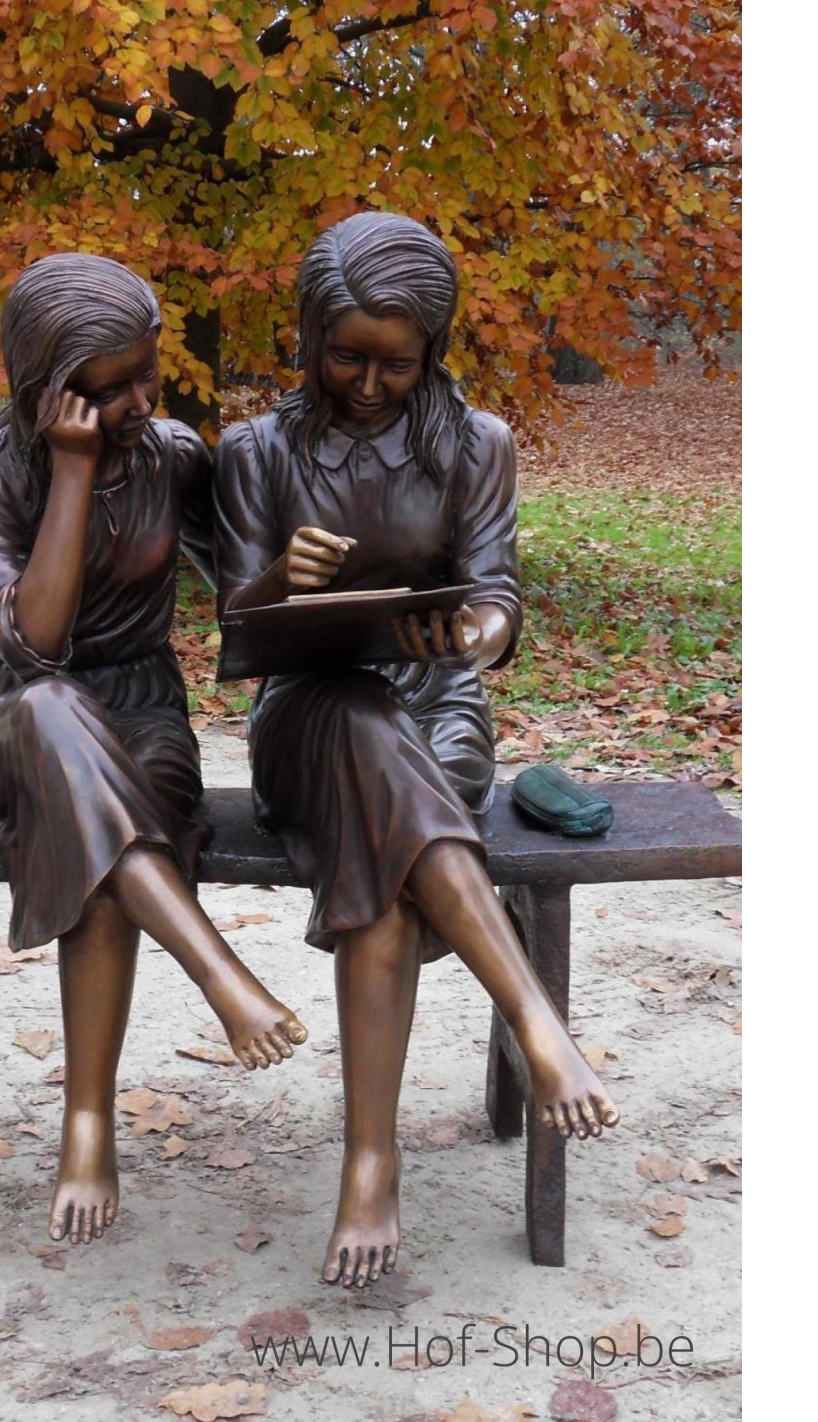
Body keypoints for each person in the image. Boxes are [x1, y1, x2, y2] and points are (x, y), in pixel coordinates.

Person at [213, 212, 618, 1290]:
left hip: (436, 707)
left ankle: (369, 1163)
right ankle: (535, 1018)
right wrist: (277, 582)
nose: (366, 382)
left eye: (395, 361)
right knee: (353, 722)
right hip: (304, 712)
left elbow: (494, 595)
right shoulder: (254, 450)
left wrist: (477, 634)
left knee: (384, 869)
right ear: (307, 334)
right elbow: (236, 635)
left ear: (431, 350)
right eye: (344, 354)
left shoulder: (474, 443)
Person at [0, 253, 307, 1248]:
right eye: (113, 389)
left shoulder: (171, 455)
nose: (144, 402)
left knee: (117, 830)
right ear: (45, 389)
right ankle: (218, 977)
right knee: (63, 716)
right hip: (27, 719)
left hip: (144, 712)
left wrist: (289, 572)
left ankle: (87, 1121)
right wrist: (71, 468)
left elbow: (242, 599)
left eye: (151, 374)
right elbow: (38, 643)